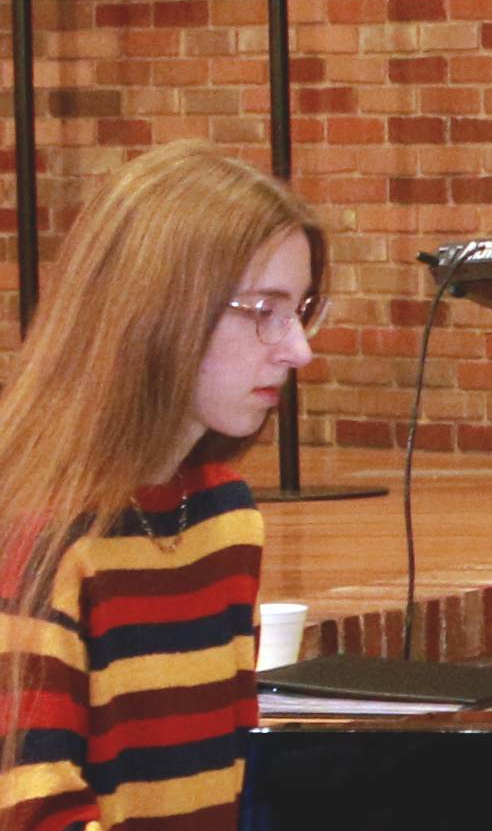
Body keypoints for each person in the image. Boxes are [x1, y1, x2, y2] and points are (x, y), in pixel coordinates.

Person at [0, 145, 325, 831]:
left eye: (299, 310)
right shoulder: (40, 534)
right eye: (264, 310)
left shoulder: (224, 517)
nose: (298, 349)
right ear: (157, 312)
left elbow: (237, 787)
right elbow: (32, 814)